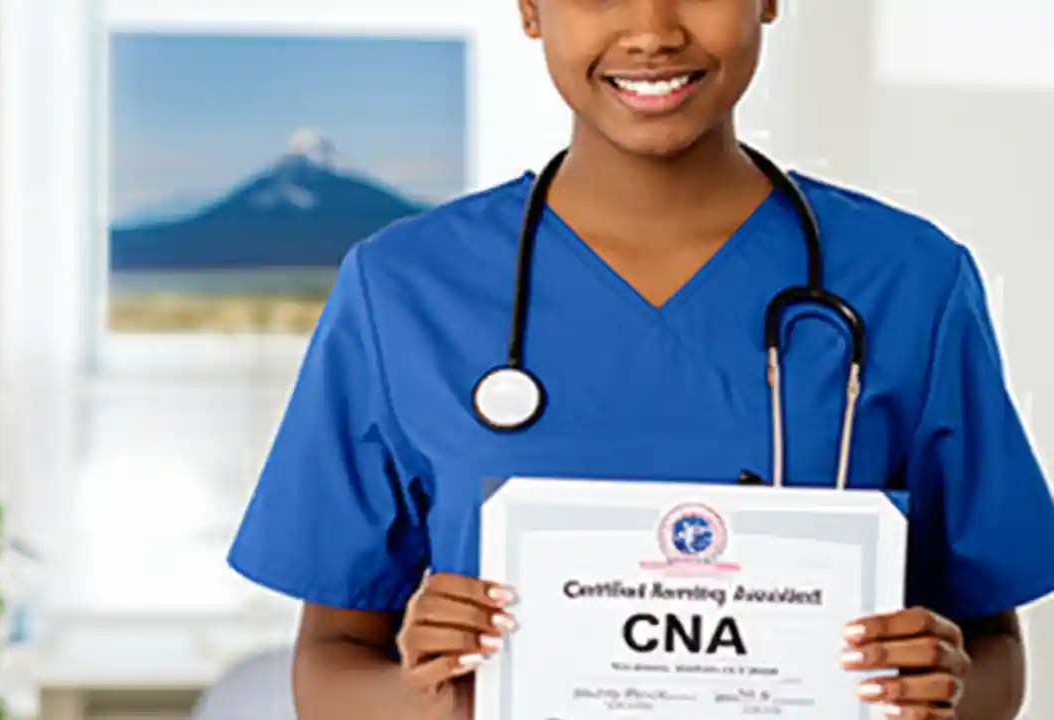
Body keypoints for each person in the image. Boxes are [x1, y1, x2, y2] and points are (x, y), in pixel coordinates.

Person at [227, 1, 1054, 718]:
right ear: (530, 8)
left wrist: (939, 693)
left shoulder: (910, 279)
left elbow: (995, 649)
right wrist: (436, 701)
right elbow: (329, 661)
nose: (652, 32)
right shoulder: (404, 288)